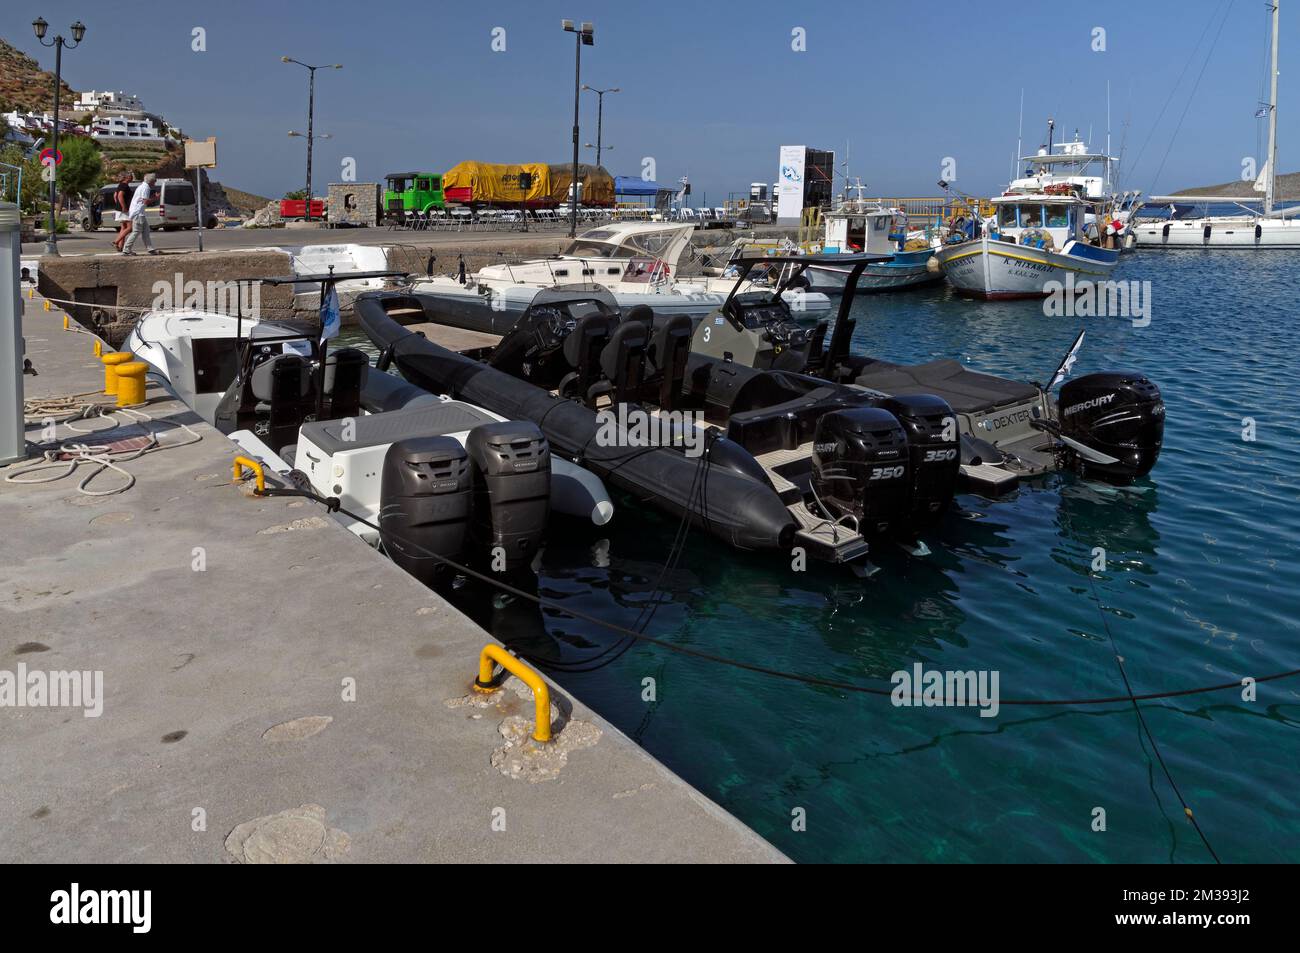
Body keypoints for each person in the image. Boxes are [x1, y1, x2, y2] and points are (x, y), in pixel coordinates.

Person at [122, 173, 159, 256]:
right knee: (136, 231)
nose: (155, 183)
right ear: (151, 181)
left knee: (146, 231)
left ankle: (150, 249)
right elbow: (145, 201)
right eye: (154, 181)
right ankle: (126, 249)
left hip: (139, 213)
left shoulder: (141, 186)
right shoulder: (146, 188)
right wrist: (155, 198)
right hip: (138, 213)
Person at [112, 174, 133, 252]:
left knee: (123, 227)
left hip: (119, 209)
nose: (132, 178)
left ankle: (120, 247)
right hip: (124, 210)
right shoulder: (124, 185)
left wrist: (118, 205)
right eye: (130, 176)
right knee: (130, 227)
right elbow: (119, 196)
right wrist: (123, 206)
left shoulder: (120, 185)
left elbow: (115, 196)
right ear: (126, 178)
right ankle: (116, 241)